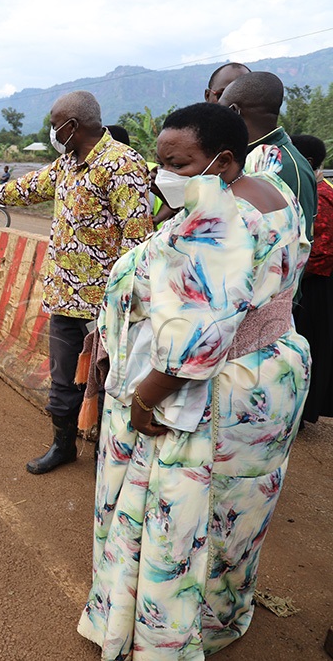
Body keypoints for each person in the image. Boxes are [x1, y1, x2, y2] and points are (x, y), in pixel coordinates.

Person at [78, 102, 310, 659]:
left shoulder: (221, 214)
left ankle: (165, 635)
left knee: (180, 514)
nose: (164, 175)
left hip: (209, 382)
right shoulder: (273, 192)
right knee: (235, 508)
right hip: (269, 373)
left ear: (223, 159)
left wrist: (145, 397)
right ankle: (220, 615)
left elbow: (200, 331)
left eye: (177, 163)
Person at [0, 90, 153, 475]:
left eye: (54, 125)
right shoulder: (67, 163)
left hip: (108, 306)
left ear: (72, 125)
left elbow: (138, 240)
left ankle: (111, 454)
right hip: (66, 297)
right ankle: (63, 444)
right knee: (62, 379)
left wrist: (131, 303)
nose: (52, 132)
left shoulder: (121, 165)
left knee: (113, 380)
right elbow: (27, 187)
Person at [219, 71, 318, 238]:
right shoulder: (238, 156)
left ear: (234, 111)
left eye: (219, 110)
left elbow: (297, 243)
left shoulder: (289, 168)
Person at [291, 134, 333, 424]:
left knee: (308, 347)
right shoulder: (317, 189)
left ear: (306, 162)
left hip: (314, 285)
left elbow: (322, 248)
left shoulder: (323, 195)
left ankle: (301, 412)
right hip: (307, 281)